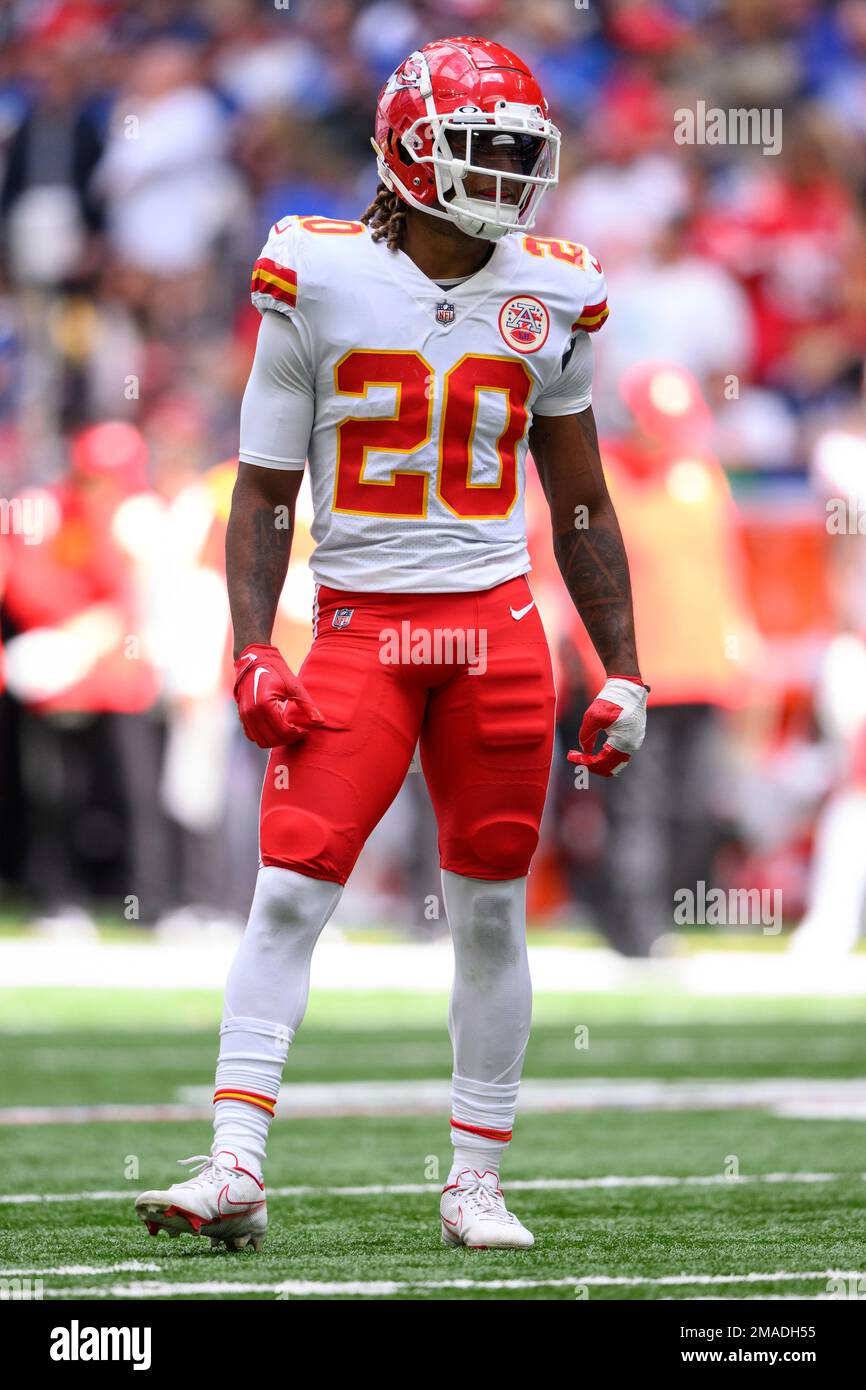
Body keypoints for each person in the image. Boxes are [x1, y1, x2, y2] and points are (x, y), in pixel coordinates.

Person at [135, 35, 648, 1254]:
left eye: (523, 150)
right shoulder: (311, 274)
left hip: (495, 630)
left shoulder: (554, 288)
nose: (511, 172)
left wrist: (624, 662)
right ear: (409, 150)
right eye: (485, 148)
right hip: (362, 627)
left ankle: (473, 1177)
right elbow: (263, 490)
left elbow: (578, 499)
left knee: (487, 913)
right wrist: (251, 644)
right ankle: (235, 1164)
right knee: (284, 893)